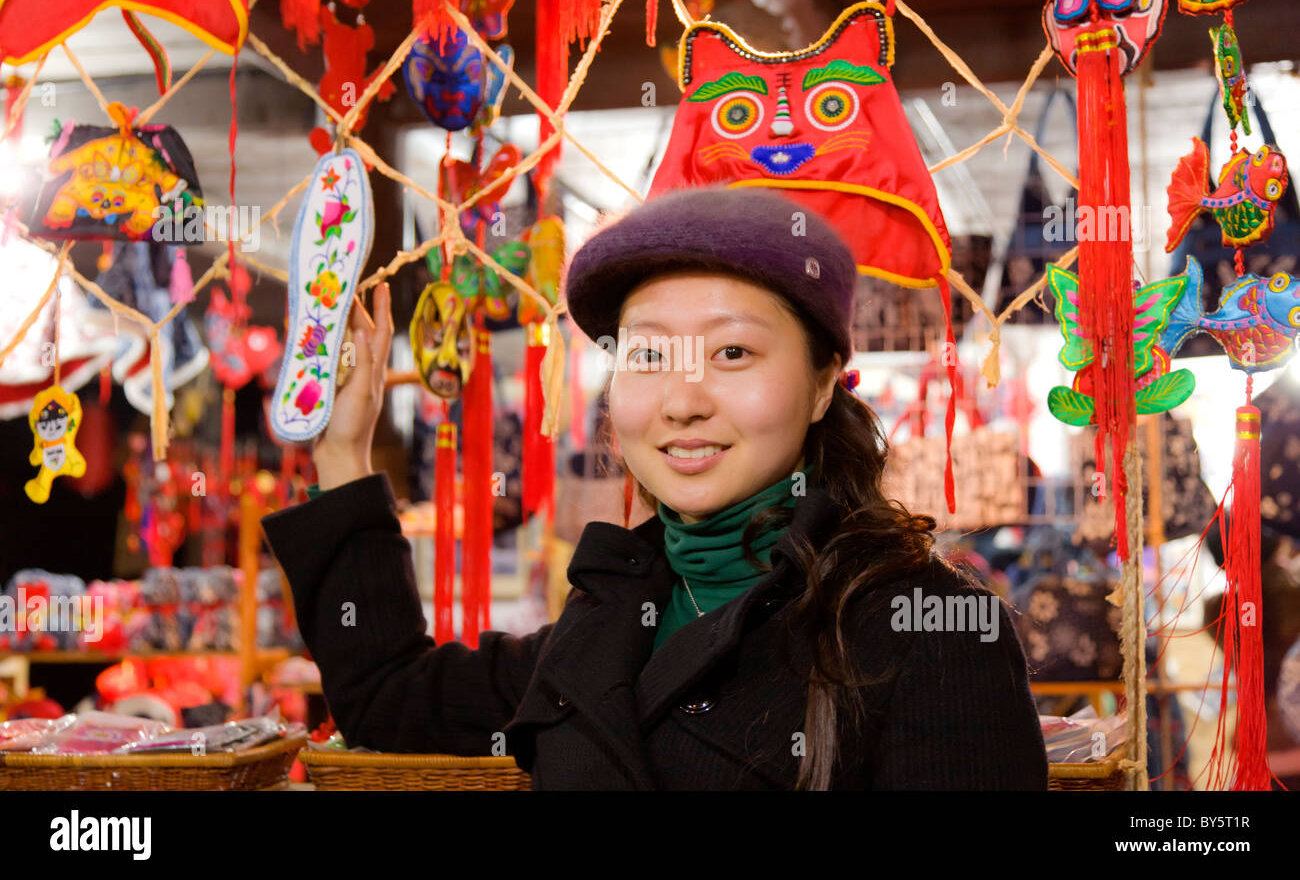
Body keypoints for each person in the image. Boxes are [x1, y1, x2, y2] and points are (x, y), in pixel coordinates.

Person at [261, 186, 1048, 790]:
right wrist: (342, 450)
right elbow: (391, 696)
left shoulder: (932, 633)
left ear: (819, 388)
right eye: (645, 356)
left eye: (733, 353)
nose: (681, 400)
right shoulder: (613, 617)